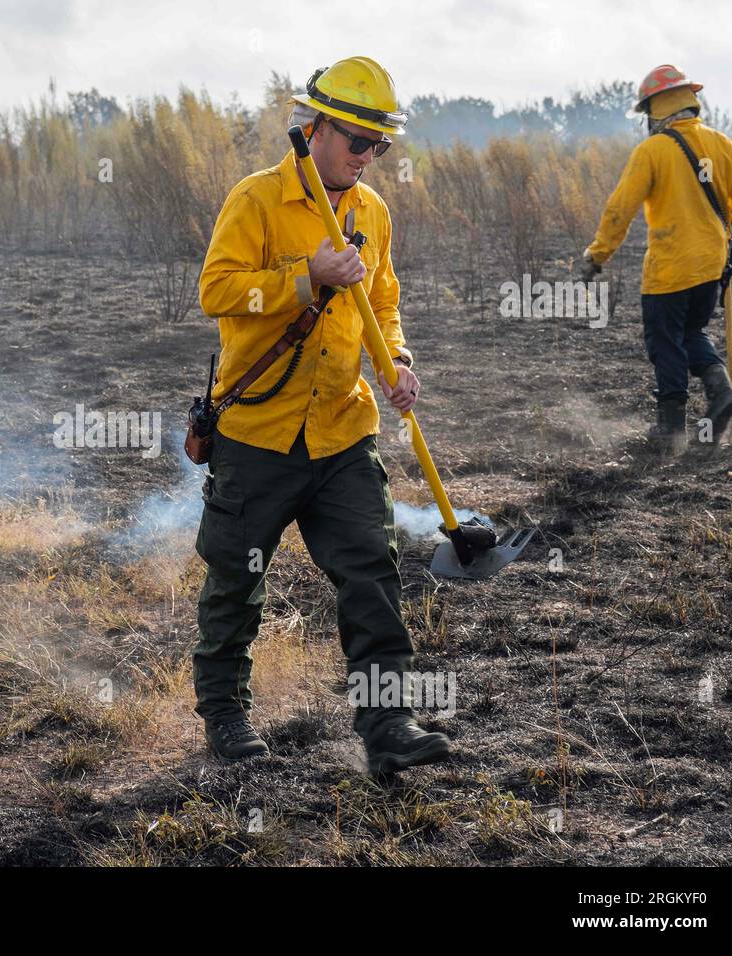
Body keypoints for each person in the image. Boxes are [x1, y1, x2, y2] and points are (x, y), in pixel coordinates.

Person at [193, 56, 449, 775]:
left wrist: (393, 363)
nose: (368, 158)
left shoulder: (372, 213)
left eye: (380, 146)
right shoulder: (258, 199)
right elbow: (219, 292)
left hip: (344, 428)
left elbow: (384, 304)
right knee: (236, 579)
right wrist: (304, 276)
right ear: (313, 128)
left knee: (373, 573)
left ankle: (388, 723)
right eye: (357, 141)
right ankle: (225, 715)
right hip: (257, 434)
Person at [583, 65, 732, 454]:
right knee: (691, 332)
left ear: (657, 110)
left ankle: (669, 435)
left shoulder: (653, 150)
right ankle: (721, 392)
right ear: (689, 102)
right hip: (711, 263)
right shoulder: (720, 142)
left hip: (670, 269)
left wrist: (597, 255)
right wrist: (715, 224)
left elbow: (619, 209)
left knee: (666, 342)